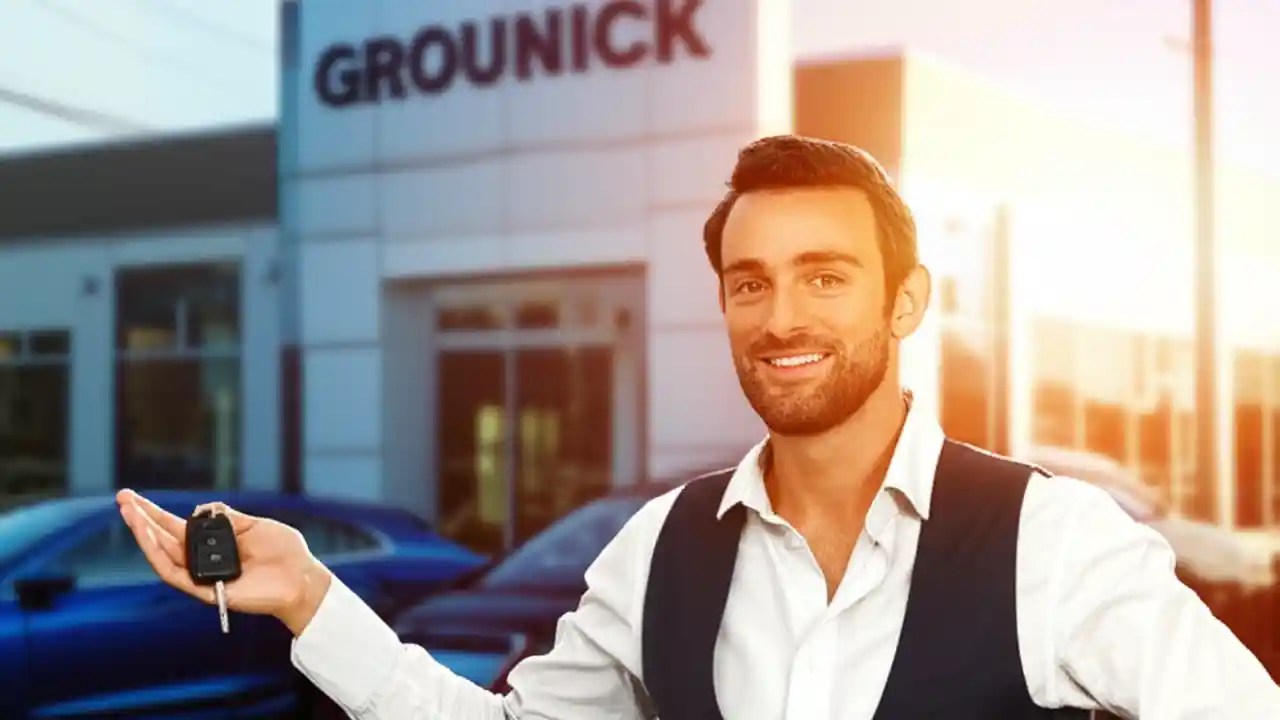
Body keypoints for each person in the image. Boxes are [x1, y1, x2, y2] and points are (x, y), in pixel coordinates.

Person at [118, 135, 1280, 719]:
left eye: (826, 277)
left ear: (906, 301)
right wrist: (315, 600)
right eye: (748, 282)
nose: (782, 318)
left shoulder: (1052, 541)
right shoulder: (659, 548)